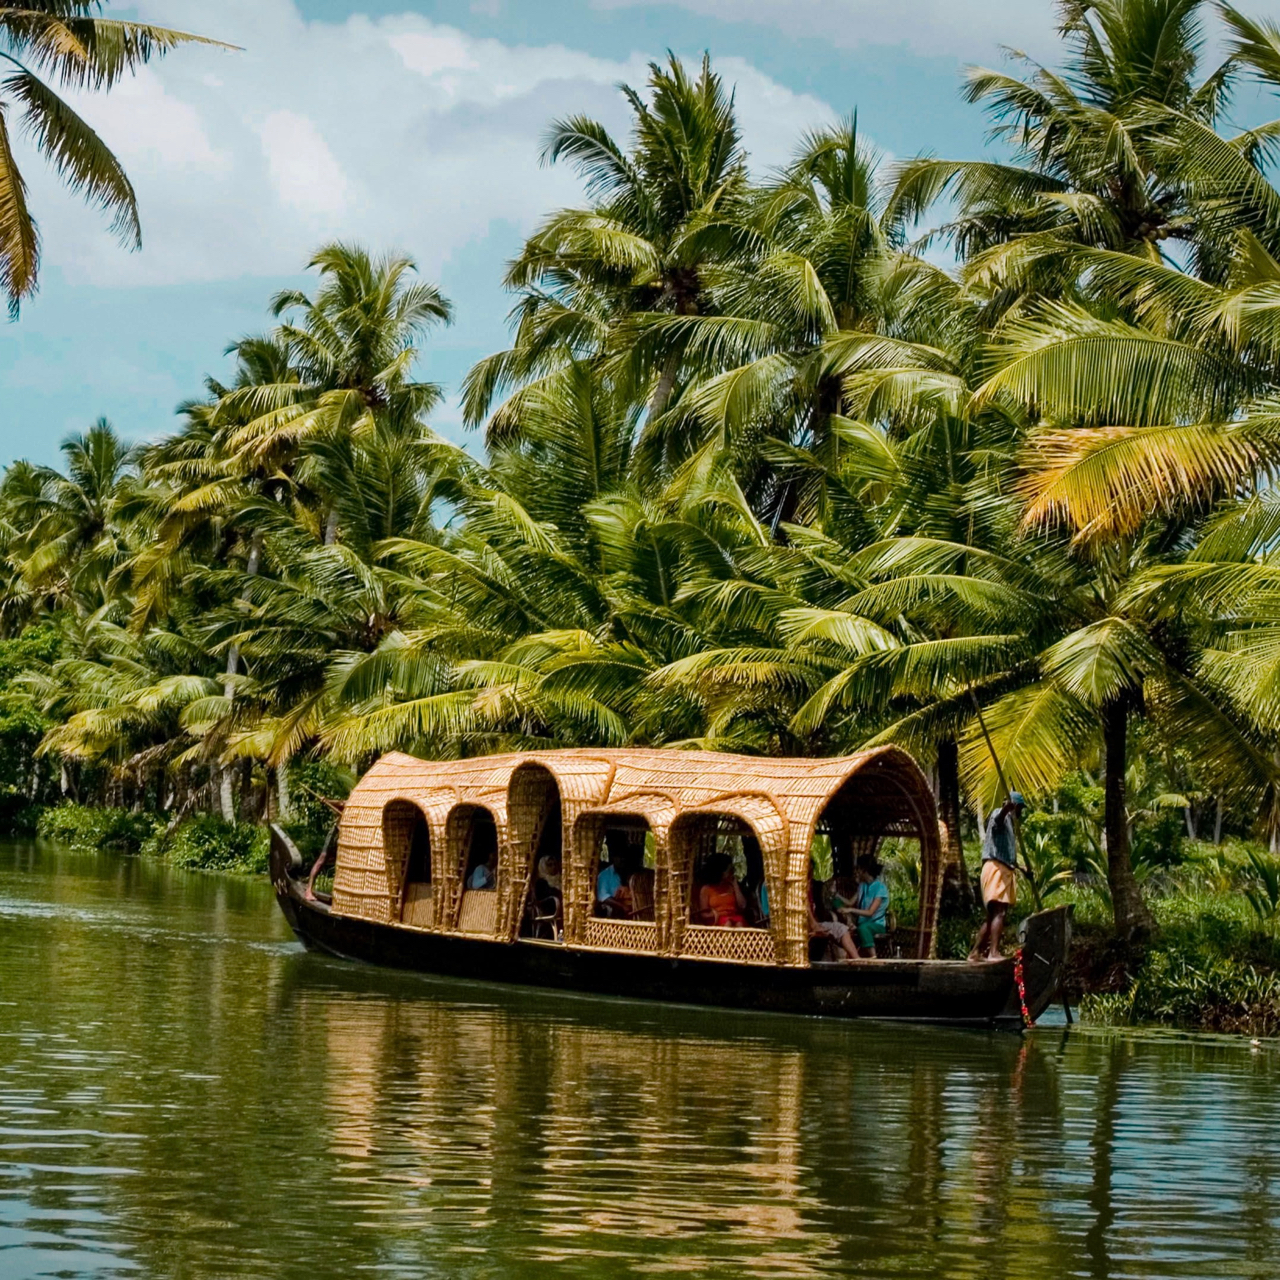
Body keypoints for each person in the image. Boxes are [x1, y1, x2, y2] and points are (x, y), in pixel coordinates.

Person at [969, 791, 1025, 962]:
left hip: (1001, 867)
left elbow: (1007, 854)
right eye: (1020, 808)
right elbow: (997, 822)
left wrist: (1022, 868)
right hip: (996, 869)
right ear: (1015, 806)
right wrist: (1005, 810)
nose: (1021, 813)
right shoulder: (1001, 815)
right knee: (999, 912)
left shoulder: (1011, 825)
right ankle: (993, 952)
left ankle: (975, 953)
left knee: (993, 914)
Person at [845, 854, 889, 958]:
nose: (857, 872)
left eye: (859, 869)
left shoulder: (880, 888)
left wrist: (850, 910)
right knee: (849, 929)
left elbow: (870, 912)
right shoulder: (862, 886)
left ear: (865, 870)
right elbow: (850, 902)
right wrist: (836, 895)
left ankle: (873, 957)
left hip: (876, 925)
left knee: (863, 928)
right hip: (861, 924)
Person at [698, 853, 748, 926]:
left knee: (739, 923)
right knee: (728, 923)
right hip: (716, 920)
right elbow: (704, 914)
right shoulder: (706, 889)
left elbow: (742, 905)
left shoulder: (731, 886)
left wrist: (735, 885)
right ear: (720, 872)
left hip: (734, 918)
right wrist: (717, 914)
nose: (732, 873)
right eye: (729, 870)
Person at [596, 847, 633, 917]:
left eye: (623, 857)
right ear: (613, 858)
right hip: (613, 909)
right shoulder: (605, 875)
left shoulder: (628, 874)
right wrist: (622, 906)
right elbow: (603, 897)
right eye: (619, 857)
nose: (622, 860)